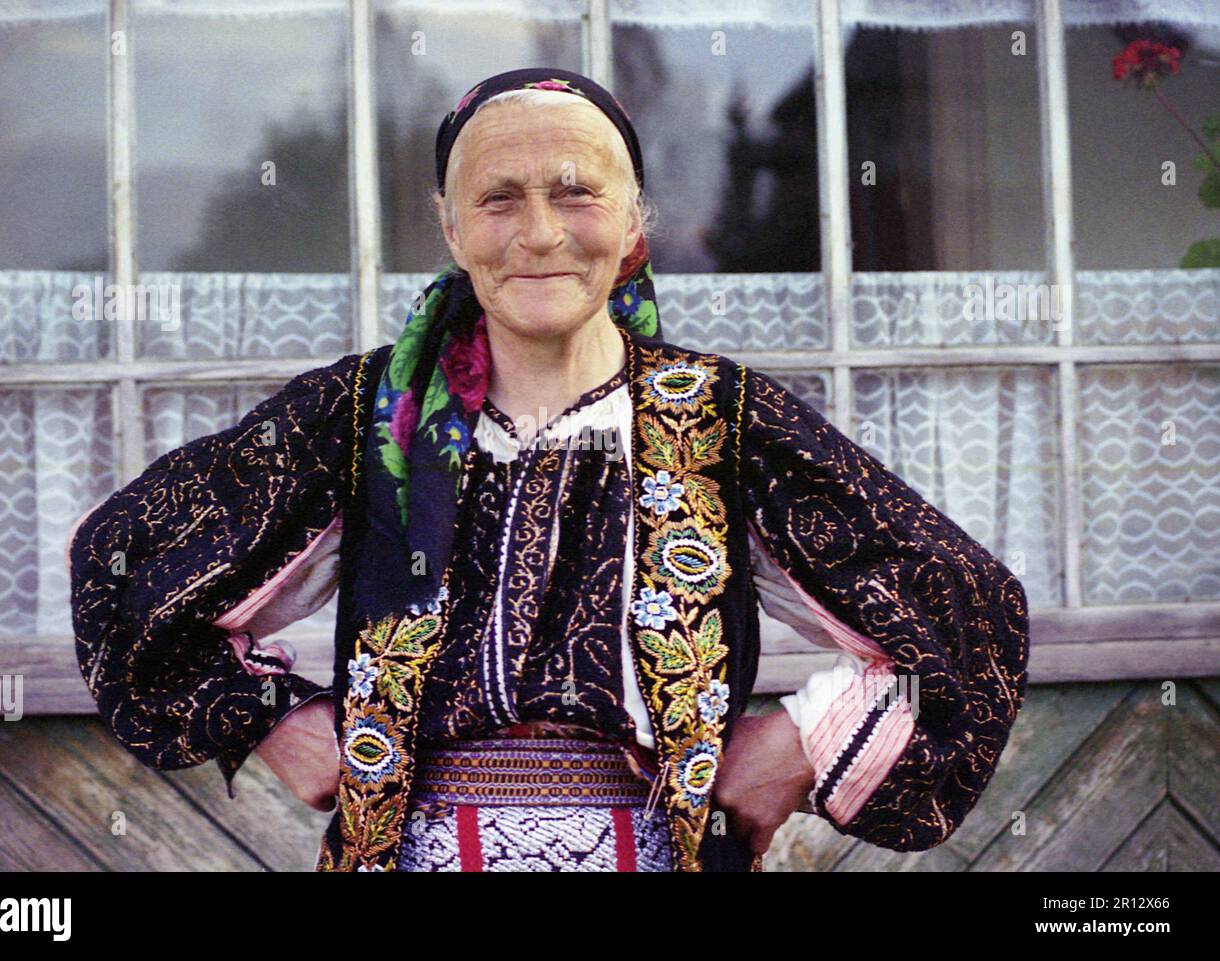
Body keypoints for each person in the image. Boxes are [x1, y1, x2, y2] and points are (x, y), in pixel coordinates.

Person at [68, 67, 1030, 872]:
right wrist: (266, 719)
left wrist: (803, 742)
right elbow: (123, 565)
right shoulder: (367, 418)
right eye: (498, 198)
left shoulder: (723, 420)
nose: (538, 233)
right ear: (450, 228)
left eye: (576, 192)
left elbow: (965, 609)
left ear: (634, 221)